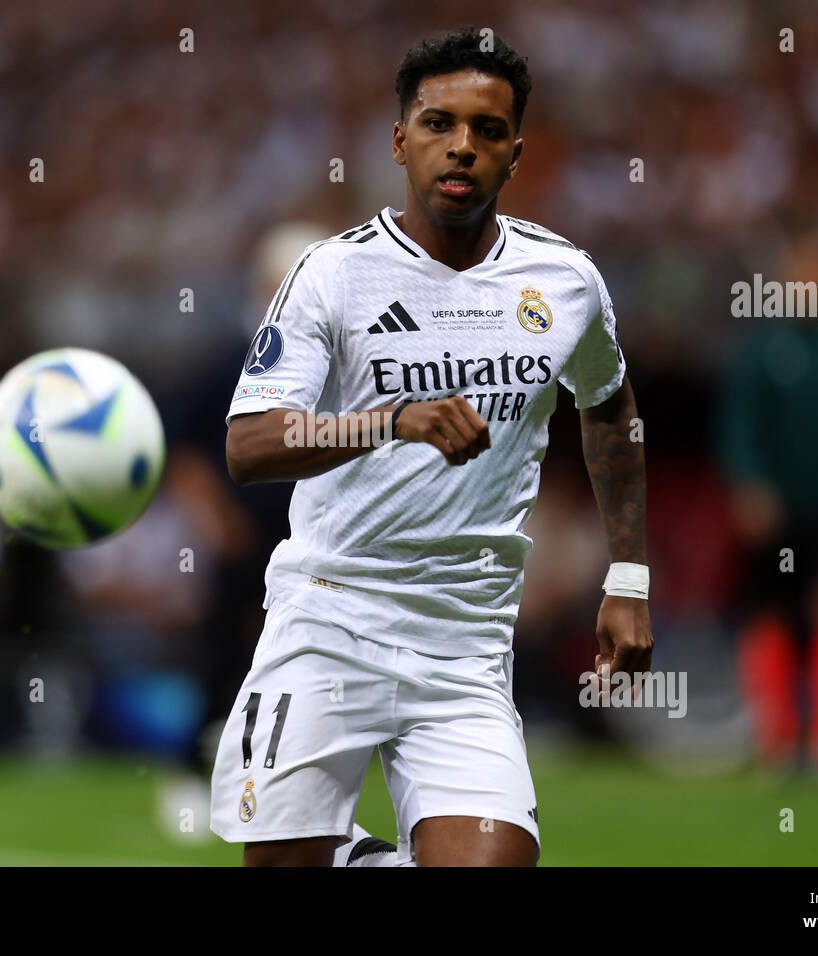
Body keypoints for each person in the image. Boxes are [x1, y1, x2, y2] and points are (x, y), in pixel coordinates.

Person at [210, 26, 651, 866]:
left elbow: (610, 409)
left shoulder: (565, 282)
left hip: (466, 636)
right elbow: (251, 444)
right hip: (330, 613)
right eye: (439, 124)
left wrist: (628, 576)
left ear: (515, 153)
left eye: (487, 131)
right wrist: (389, 419)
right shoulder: (332, 275)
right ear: (400, 141)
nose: (461, 147)